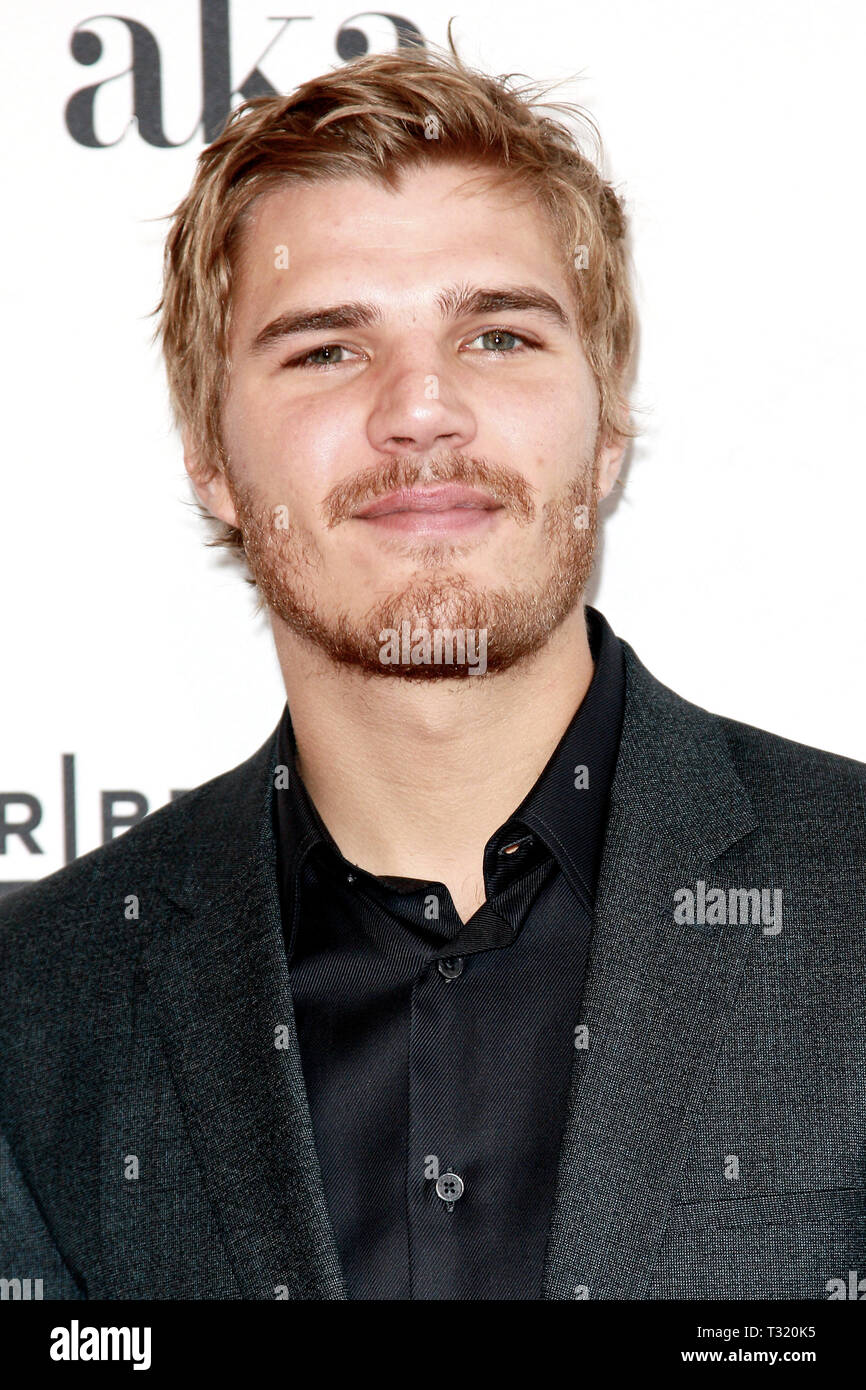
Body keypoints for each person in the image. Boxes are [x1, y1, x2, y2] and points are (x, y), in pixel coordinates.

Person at [1, 40, 864, 1302]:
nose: (420, 410)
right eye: (325, 351)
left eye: (499, 337)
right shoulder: (37, 1005)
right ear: (212, 463)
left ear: (607, 424)